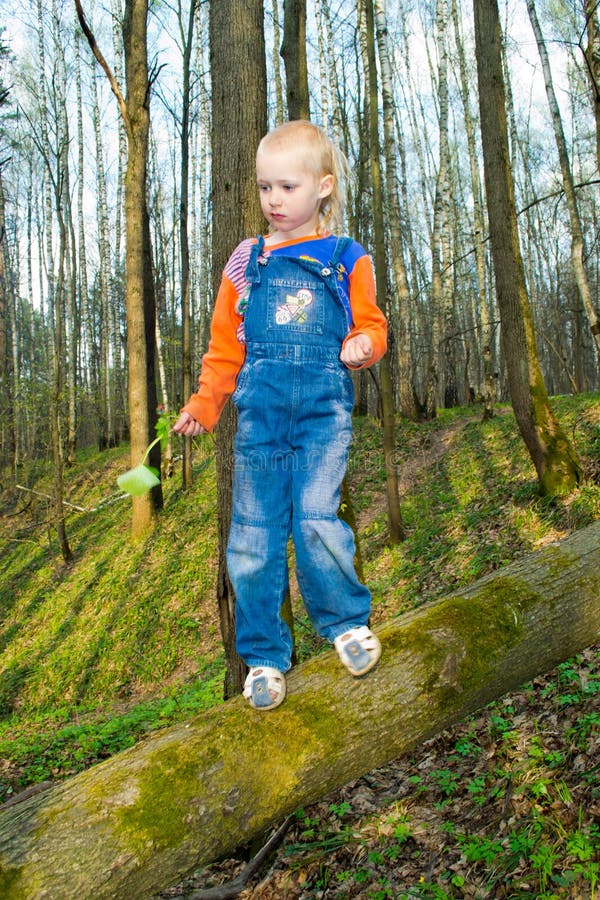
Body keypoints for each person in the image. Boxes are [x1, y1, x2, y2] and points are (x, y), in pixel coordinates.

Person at [173, 120, 387, 710]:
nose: (273, 200)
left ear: (322, 187)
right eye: (265, 187)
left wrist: (364, 346)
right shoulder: (246, 263)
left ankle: (344, 622)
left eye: (286, 187)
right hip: (261, 419)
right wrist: (205, 403)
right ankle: (264, 657)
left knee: (317, 520)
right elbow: (224, 350)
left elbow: (371, 324)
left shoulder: (347, 257)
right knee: (252, 538)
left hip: (322, 417)